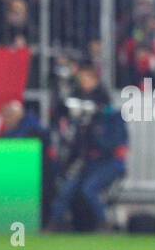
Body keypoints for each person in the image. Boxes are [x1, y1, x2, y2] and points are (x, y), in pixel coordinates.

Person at [50, 69, 127, 231]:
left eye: (87, 80)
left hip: (108, 162)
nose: (84, 84)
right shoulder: (77, 108)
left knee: (89, 189)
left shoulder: (110, 115)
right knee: (66, 189)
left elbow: (114, 144)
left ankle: (104, 223)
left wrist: (92, 130)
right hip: (87, 162)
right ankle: (54, 224)